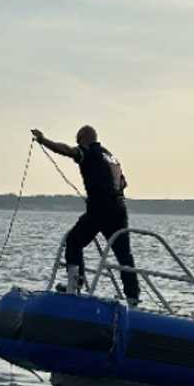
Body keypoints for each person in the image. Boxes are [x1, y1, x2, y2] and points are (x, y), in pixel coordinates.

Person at [31, 125, 141, 306]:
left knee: (74, 241)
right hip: (119, 208)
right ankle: (133, 296)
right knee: (124, 255)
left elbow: (66, 150)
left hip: (100, 208)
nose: (77, 145)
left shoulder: (88, 151)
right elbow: (123, 182)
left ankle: (74, 285)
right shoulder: (111, 157)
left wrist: (44, 141)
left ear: (83, 139)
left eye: (78, 141)